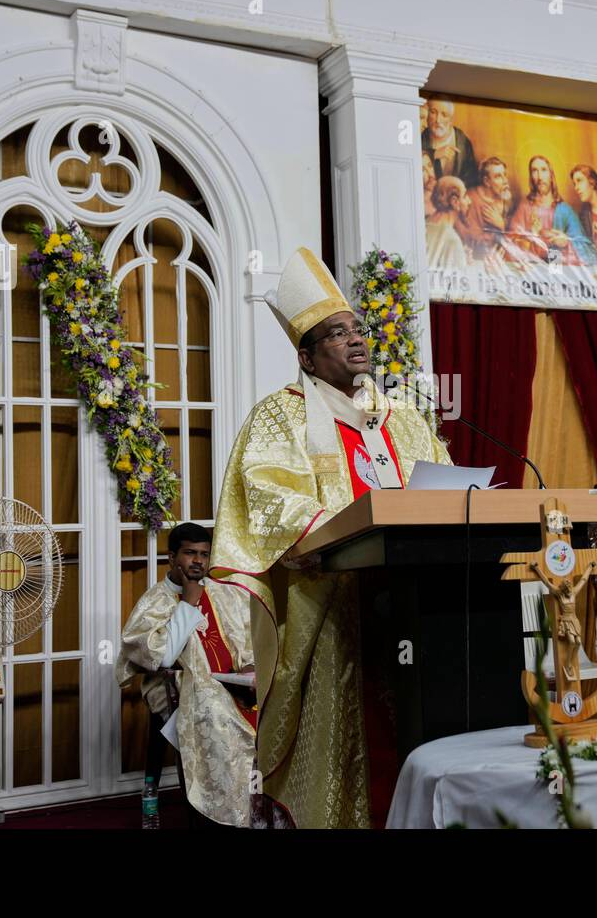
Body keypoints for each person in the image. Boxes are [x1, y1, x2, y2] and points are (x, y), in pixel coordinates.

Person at [209, 248, 451, 829]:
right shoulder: (283, 416)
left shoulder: (403, 417)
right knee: (343, 736)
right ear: (307, 356)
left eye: (358, 329)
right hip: (335, 602)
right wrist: (339, 531)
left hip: (416, 598)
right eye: (337, 334)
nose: (356, 340)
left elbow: (439, 482)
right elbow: (267, 496)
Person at [114, 522, 256, 828]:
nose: (198, 561)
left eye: (204, 554)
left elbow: (245, 638)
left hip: (232, 684)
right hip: (179, 688)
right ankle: (219, 815)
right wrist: (189, 602)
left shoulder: (222, 593)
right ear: (171, 557)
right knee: (215, 717)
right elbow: (162, 655)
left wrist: (248, 665)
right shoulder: (157, 601)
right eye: (190, 553)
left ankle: (256, 808)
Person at [507, 155, 592, 266]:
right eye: (534, 171)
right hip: (531, 270)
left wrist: (566, 242)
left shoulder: (564, 210)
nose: (540, 176)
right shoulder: (525, 207)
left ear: (551, 175)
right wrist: (532, 235)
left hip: (557, 271)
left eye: (543, 170)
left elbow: (584, 248)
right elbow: (510, 243)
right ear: (531, 177)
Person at [454, 156, 514, 262]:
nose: (505, 181)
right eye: (498, 176)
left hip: (499, 259)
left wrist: (501, 224)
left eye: (505, 175)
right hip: (477, 259)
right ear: (486, 181)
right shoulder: (469, 199)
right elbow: (467, 237)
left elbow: (514, 235)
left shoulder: (506, 198)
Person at [422, 98, 479, 188]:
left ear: (451, 119)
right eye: (433, 112)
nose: (438, 120)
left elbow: (471, 178)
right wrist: (434, 154)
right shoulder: (421, 136)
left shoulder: (462, 142)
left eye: (444, 115)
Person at [425, 176, 471, 271]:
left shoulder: (425, 224)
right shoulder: (452, 240)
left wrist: (461, 255)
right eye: (465, 196)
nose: (469, 201)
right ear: (454, 201)